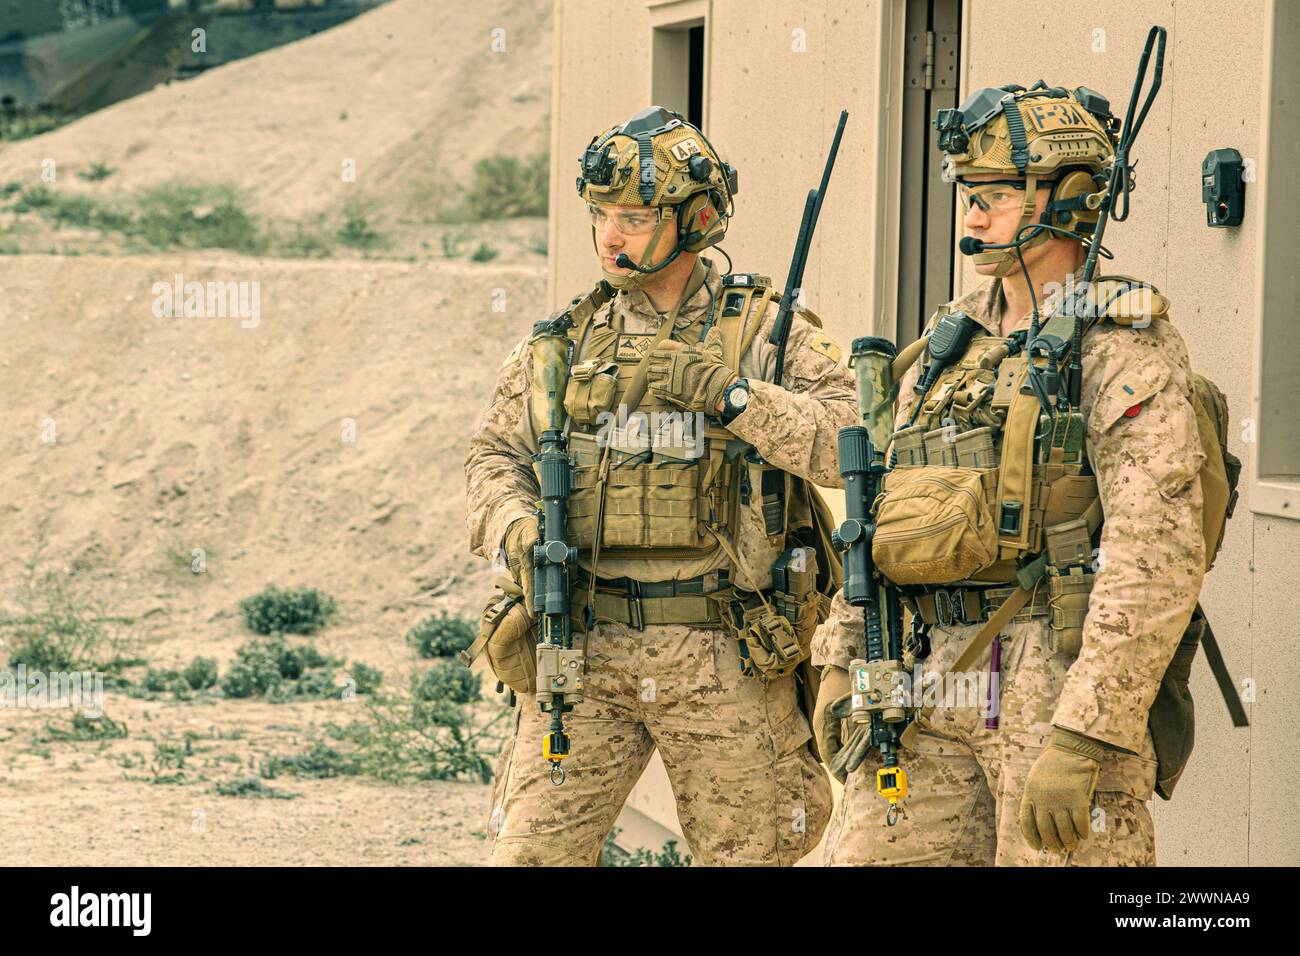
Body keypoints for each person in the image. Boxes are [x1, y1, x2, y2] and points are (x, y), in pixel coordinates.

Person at [813, 82, 1207, 866]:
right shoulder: (952, 338)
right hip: (925, 670)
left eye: (995, 194)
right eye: (969, 194)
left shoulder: (1118, 340)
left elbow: (1155, 552)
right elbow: (884, 512)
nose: (972, 214)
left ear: (1070, 200)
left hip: (1049, 670)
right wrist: (841, 657)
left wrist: (1085, 733)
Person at [465, 106, 855, 866]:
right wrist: (515, 528)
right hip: (584, 645)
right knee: (527, 857)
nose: (610, 236)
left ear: (696, 218)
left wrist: (734, 397)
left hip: (725, 652)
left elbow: (852, 448)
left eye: (635, 217)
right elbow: (492, 458)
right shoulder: (565, 342)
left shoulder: (765, 334)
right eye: (601, 216)